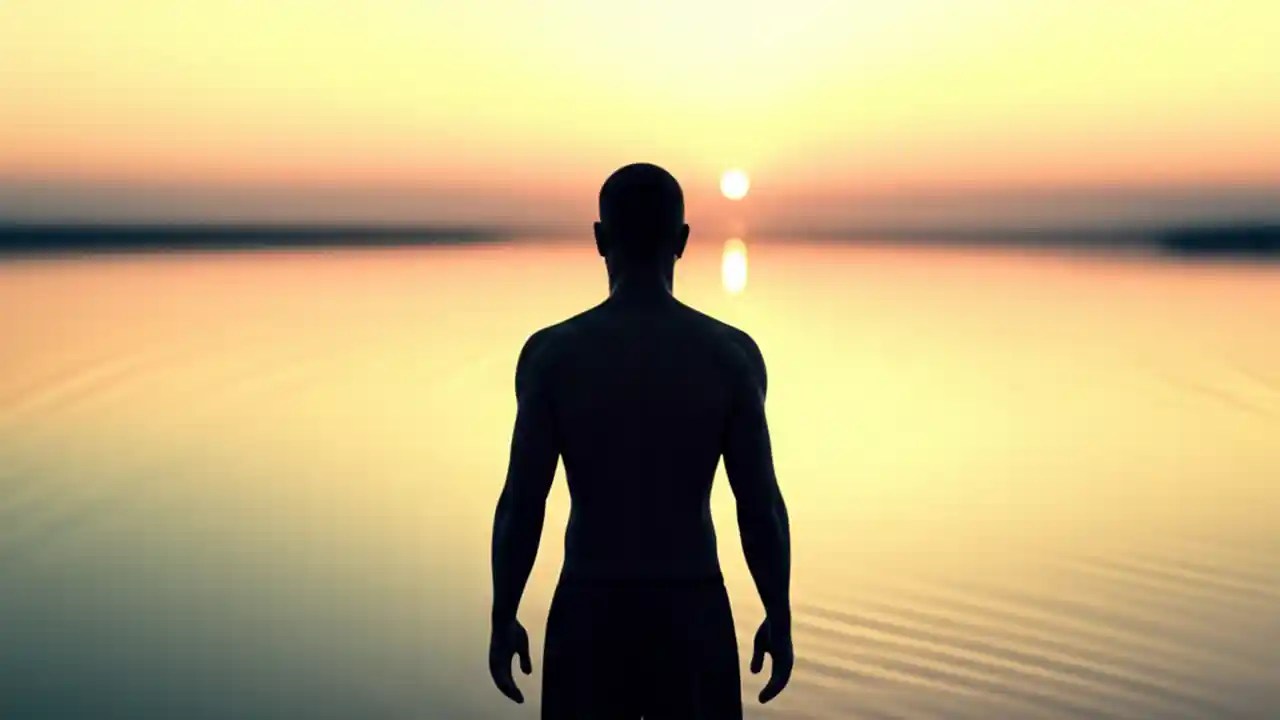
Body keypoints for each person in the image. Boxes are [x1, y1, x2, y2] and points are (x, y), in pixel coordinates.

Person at [488, 163, 792, 719]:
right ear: (681, 242)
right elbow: (760, 506)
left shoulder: (553, 356)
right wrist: (779, 612)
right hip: (692, 606)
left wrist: (503, 614)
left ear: (601, 239)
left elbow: (522, 504)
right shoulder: (730, 357)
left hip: (590, 606)